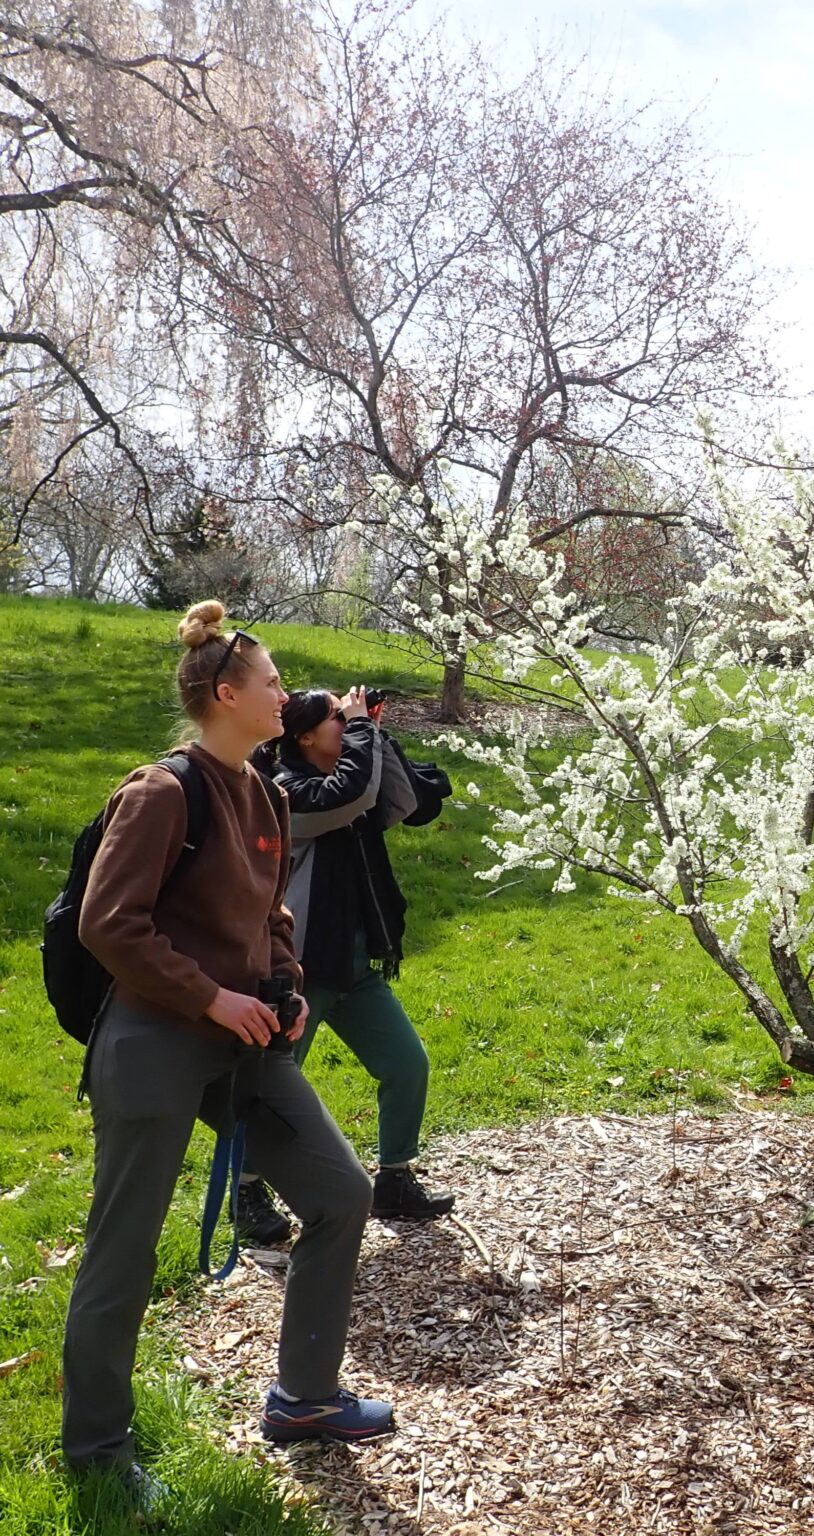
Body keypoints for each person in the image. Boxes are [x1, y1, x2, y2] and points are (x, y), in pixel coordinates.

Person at [62, 602, 394, 1500]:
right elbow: (108, 923)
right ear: (225, 693)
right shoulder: (162, 792)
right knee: (123, 1250)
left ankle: (305, 1399)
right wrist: (211, 994)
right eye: (275, 680)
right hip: (154, 1041)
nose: (287, 691)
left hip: (246, 1044)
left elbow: (271, 917)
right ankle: (96, 1451)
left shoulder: (267, 793)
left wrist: (282, 988)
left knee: (338, 1194)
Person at [236, 683, 454, 1242]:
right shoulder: (286, 791)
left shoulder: (350, 776)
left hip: (355, 966)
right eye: (337, 717)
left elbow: (415, 803)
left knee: (407, 1064)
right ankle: (244, 1190)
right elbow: (346, 796)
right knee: (274, 1086)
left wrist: (371, 731)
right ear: (305, 736)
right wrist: (360, 736)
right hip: (302, 967)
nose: (347, 721)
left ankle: (395, 1179)